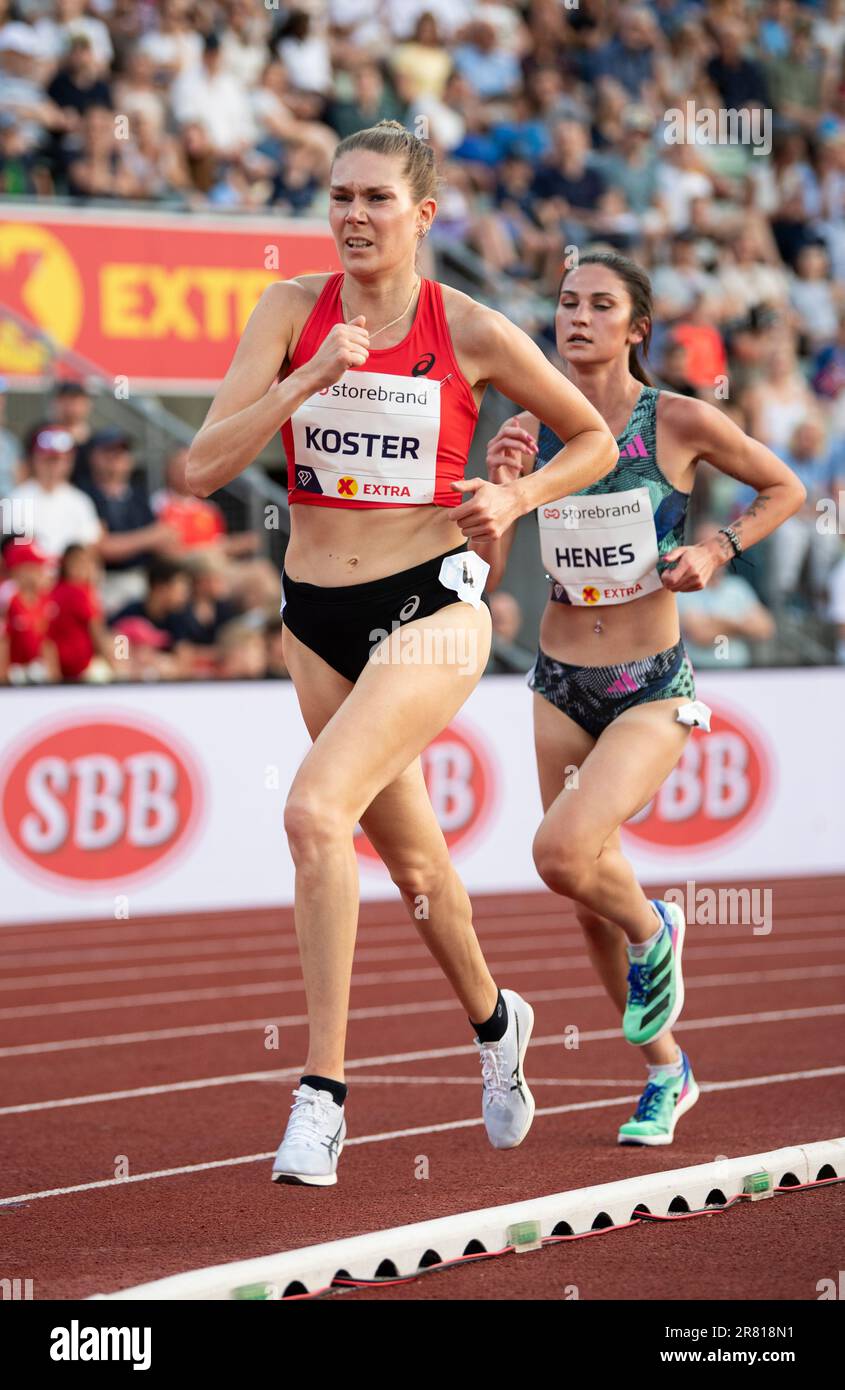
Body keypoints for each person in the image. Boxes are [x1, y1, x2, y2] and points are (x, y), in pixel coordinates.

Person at [186, 119, 617, 1186]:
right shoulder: (291, 311)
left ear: (422, 215)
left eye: (376, 198)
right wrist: (303, 381)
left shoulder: (466, 327)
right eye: (338, 196)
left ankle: (321, 1097)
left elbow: (593, 438)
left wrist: (512, 494)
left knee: (312, 812)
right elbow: (201, 465)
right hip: (313, 621)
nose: (352, 215)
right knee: (417, 863)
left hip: (431, 605)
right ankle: (495, 1022)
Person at [475, 250, 805, 1146]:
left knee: (561, 851)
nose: (575, 317)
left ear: (636, 328)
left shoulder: (680, 419)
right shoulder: (530, 424)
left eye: (598, 305)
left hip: (649, 686)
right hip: (556, 681)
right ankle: (667, 1069)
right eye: (565, 303)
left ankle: (655, 925)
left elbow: (787, 487)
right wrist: (502, 496)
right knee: (581, 894)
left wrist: (715, 551)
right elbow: (489, 576)